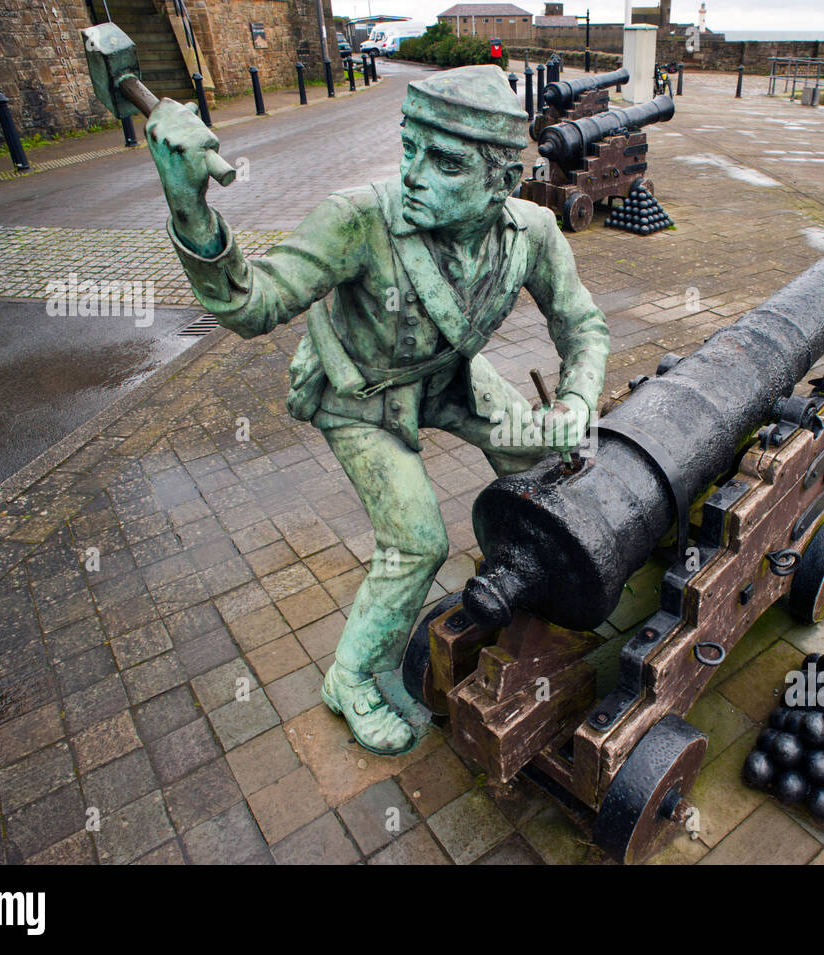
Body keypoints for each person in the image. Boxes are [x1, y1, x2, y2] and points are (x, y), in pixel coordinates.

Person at [145, 65, 609, 754]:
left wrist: (576, 398)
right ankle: (353, 676)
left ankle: (523, 569)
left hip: (446, 375)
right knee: (417, 541)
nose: (415, 173)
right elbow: (252, 304)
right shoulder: (357, 218)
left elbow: (583, 326)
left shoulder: (533, 231)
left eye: (445, 162)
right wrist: (190, 209)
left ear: (502, 183)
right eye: (409, 148)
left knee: (542, 455)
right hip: (359, 392)